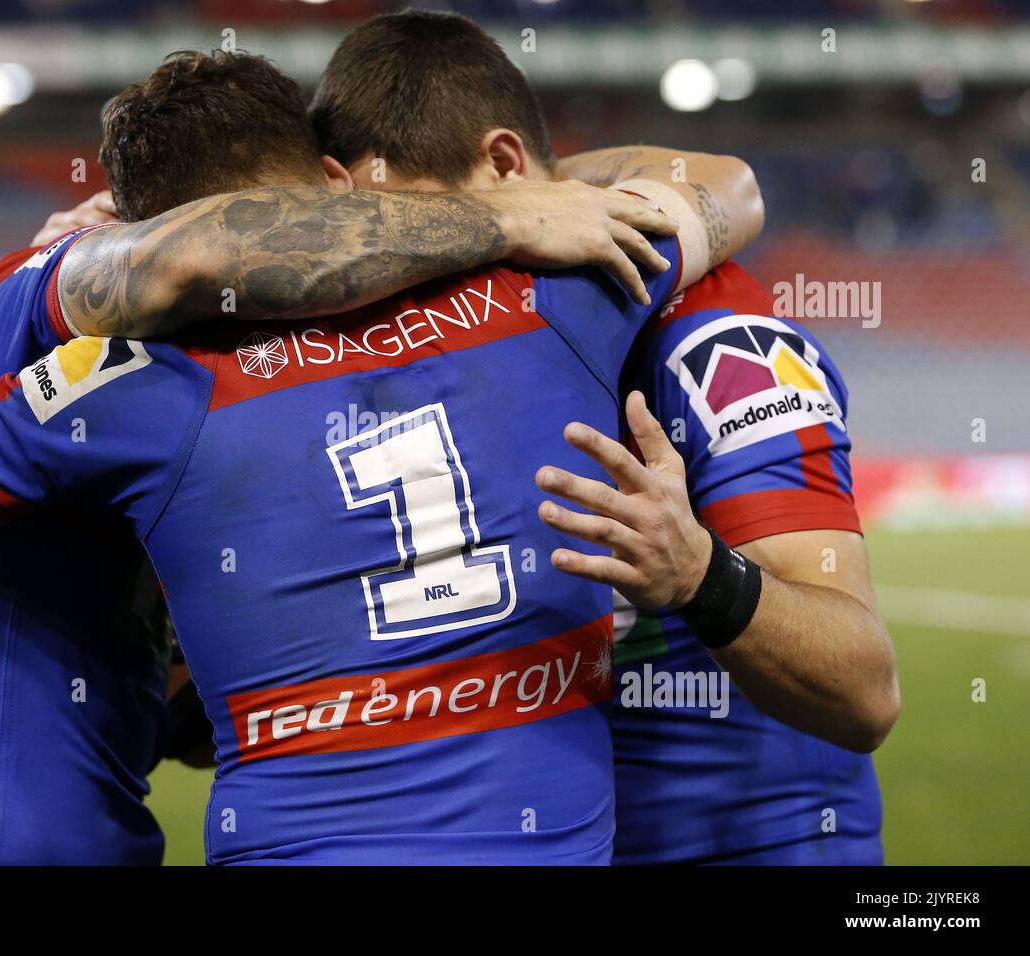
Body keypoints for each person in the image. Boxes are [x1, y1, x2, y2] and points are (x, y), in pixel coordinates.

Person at [0, 45, 763, 863]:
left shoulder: (130, 381)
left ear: (133, 227)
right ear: (337, 181)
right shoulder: (557, 292)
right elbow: (726, 185)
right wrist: (523, 207)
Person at [309, 9, 898, 864]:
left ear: (507, 164)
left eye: (433, 227)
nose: (413, 275)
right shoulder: (449, 346)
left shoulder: (714, 337)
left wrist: (701, 577)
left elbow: (864, 689)